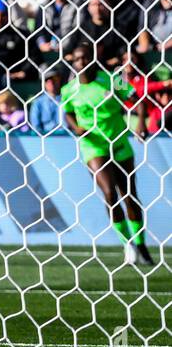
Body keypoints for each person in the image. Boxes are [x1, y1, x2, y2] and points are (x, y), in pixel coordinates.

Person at [61, 42, 155, 266]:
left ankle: (141, 242)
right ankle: (127, 244)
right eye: (77, 59)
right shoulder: (69, 89)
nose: (81, 63)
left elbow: (138, 101)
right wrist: (77, 128)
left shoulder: (115, 79)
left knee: (129, 195)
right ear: (72, 62)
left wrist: (141, 123)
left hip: (119, 143)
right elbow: (68, 112)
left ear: (93, 59)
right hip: (94, 146)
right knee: (110, 195)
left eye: (85, 58)